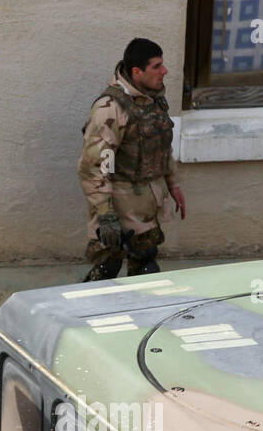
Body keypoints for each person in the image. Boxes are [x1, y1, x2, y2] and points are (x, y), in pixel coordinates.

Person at [78, 38, 185, 281]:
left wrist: (173, 184)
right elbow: (95, 168)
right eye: (156, 66)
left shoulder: (154, 100)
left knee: (145, 271)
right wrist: (105, 215)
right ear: (137, 72)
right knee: (107, 272)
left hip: (147, 203)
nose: (164, 71)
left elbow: (161, 147)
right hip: (117, 203)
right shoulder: (111, 109)